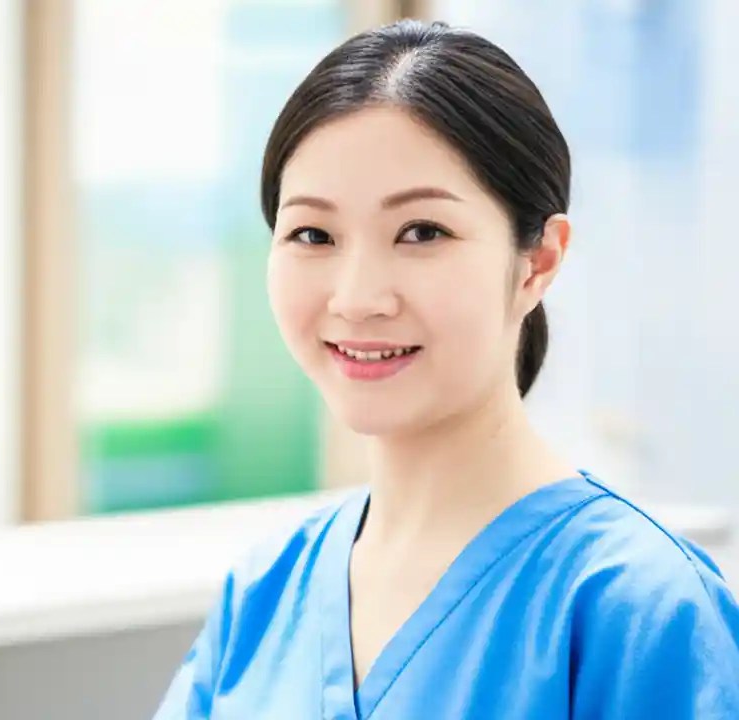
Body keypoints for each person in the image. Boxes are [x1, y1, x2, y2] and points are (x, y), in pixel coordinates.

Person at [153, 20, 739, 719]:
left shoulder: (639, 608)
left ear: (539, 260)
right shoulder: (263, 594)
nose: (358, 298)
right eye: (314, 234)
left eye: (422, 232)